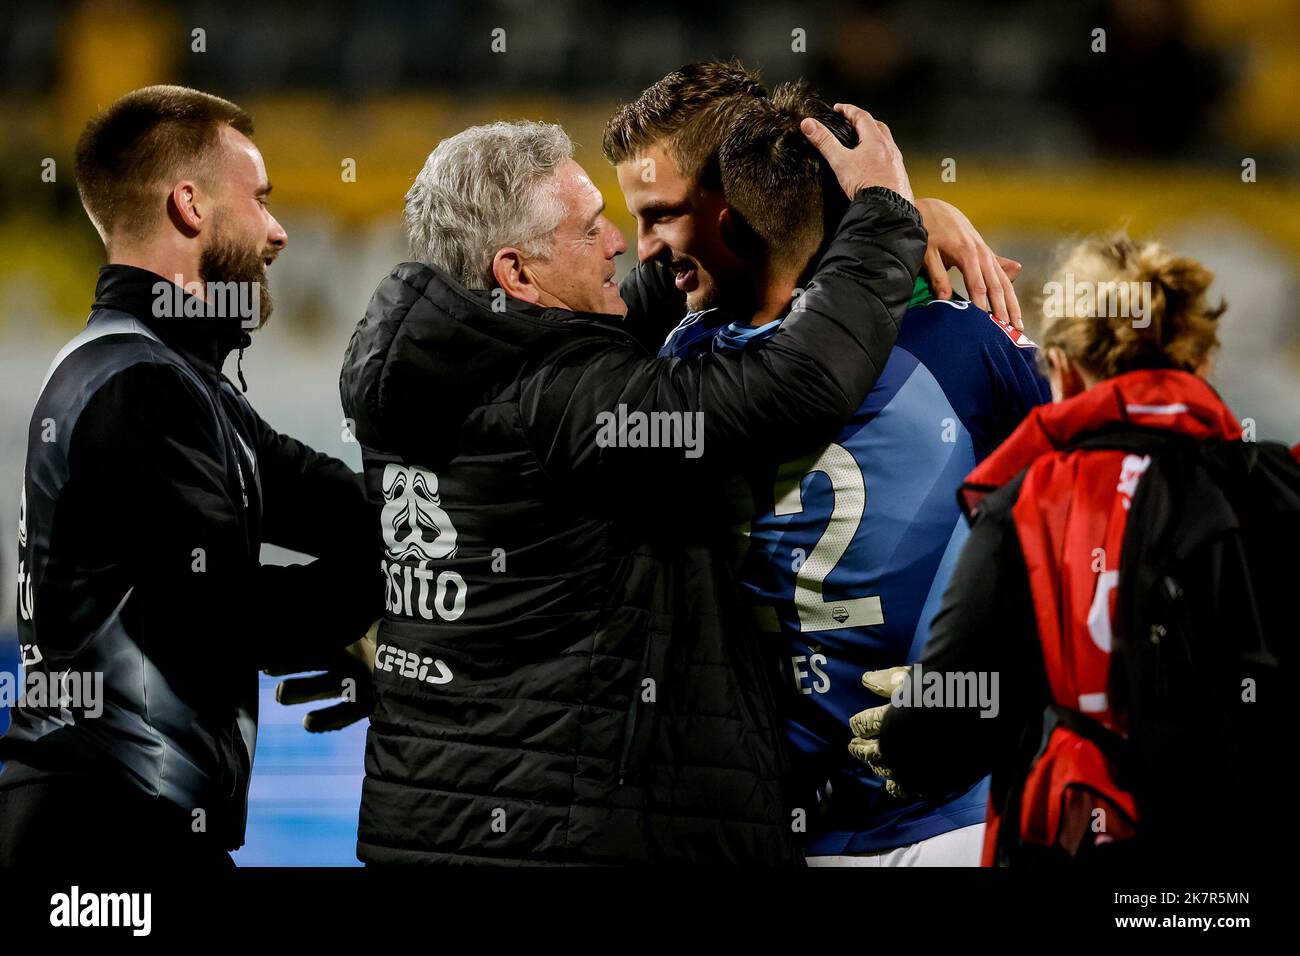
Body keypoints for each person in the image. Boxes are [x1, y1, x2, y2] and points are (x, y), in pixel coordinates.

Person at [339, 103, 928, 864]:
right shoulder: (568, 400)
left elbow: (657, 288)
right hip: (557, 837)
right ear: (517, 272)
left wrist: (814, 223)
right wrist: (887, 217)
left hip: (426, 819)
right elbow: (796, 384)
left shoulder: (425, 374)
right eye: (590, 230)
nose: (621, 242)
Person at [623, 75, 1049, 864]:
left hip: (913, 815)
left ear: (730, 214)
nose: (643, 247)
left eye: (657, 217)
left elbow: (1061, 537)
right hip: (834, 817)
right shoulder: (968, 343)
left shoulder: (678, 366)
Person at [0, 85, 382, 867]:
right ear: (190, 205)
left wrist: (398, 598)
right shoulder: (137, 386)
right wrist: (371, 607)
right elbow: (220, 616)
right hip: (100, 833)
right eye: (263, 200)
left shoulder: (176, 384)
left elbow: (354, 510)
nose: (280, 232)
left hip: (125, 823)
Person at [857, 233, 1299, 865]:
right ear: (1199, 364)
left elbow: (937, 735)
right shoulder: (1280, 486)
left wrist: (915, 719)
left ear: (1061, 369)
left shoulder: (1025, 503)